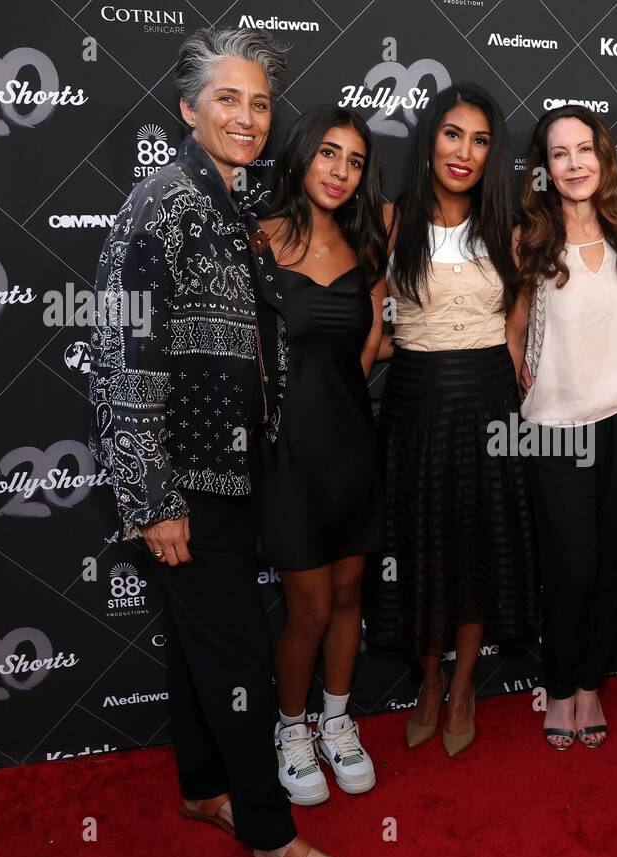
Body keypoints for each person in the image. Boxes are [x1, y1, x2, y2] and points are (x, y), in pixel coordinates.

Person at [87, 26, 356, 857]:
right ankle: (273, 835)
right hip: (185, 488)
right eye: (228, 100)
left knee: (197, 648)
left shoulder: (232, 202)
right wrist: (154, 498)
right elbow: (123, 360)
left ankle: (203, 788)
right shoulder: (160, 204)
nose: (247, 116)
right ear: (188, 110)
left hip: (235, 476)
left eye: (260, 102)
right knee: (239, 657)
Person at [363, 83, 540, 757]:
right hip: (414, 405)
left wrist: (526, 374)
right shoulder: (390, 222)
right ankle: (428, 679)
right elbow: (374, 330)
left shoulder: (511, 229)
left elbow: (518, 324)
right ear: (430, 140)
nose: (464, 152)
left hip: (492, 404)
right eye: (452, 135)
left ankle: (465, 682)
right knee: (420, 549)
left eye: (480, 140)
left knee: (477, 546)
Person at [515, 105, 617, 750]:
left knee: (614, 564)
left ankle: (590, 687)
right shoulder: (529, 238)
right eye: (559, 153)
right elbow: (512, 330)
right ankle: (560, 683)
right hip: (556, 428)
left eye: (584, 149)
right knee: (570, 568)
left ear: (603, 158)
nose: (574, 164)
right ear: (543, 168)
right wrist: (528, 375)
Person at [255, 107, 387, 803]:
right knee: (305, 605)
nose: (340, 171)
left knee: (346, 595)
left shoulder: (367, 252)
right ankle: (292, 727)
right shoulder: (259, 241)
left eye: (355, 160)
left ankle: (338, 722)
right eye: (329, 154)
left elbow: (362, 359)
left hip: (352, 447)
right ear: (301, 158)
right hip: (288, 454)